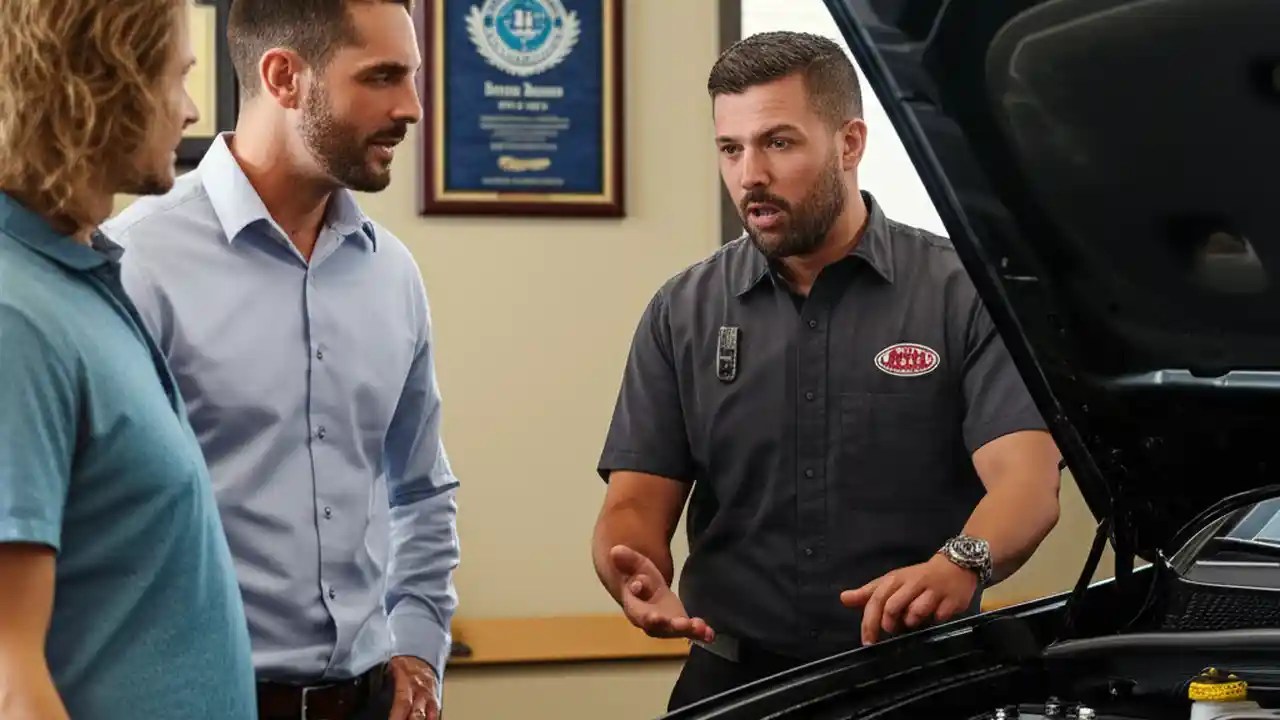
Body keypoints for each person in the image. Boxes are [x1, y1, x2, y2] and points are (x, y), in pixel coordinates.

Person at [592, 30, 1063, 711]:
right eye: (731, 148)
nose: (749, 174)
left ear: (849, 144)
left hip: (920, 680)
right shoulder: (682, 311)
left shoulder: (964, 293)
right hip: (734, 683)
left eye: (777, 143)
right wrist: (630, 566)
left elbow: (1027, 481)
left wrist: (961, 562)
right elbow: (634, 504)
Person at [102, 1, 458, 719]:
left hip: (365, 701)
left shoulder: (392, 274)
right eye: (383, 77)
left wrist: (419, 647)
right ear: (284, 76)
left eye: (412, 77)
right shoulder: (135, 263)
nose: (412, 108)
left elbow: (419, 491)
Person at [0, 2, 258, 719]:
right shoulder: (14, 313)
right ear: (98, 81)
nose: (191, 110)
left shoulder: (77, 281)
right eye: (177, 80)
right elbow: (10, 682)